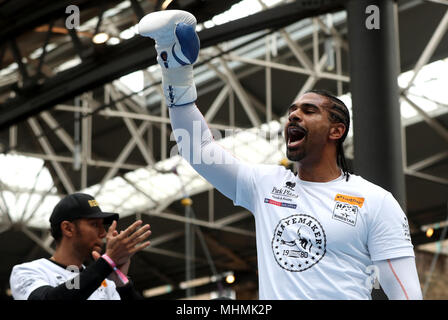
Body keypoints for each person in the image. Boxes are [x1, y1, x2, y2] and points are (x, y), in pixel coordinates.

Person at [137, 10, 423, 300]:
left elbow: (406, 294)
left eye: (309, 111)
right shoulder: (265, 184)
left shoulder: (375, 201)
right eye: (291, 112)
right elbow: (197, 148)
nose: (294, 116)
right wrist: (174, 70)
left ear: (336, 131)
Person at [9, 193, 151, 300]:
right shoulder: (28, 271)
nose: (102, 233)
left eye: (103, 226)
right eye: (95, 224)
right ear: (68, 229)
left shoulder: (106, 283)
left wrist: (123, 285)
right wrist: (107, 262)